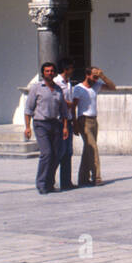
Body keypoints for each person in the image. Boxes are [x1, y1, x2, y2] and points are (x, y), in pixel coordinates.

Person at [23, 63, 70, 194]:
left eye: (51, 71)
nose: (49, 73)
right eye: (47, 71)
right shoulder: (36, 88)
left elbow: (64, 110)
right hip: (40, 124)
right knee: (47, 153)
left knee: (56, 154)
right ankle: (41, 183)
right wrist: (27, 127)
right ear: (43, 73)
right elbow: (28, 109)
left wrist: (65, 127)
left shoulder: (58, 89)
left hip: (55, 124)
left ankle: (50, 183)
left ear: (54, 73)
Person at [71, 65, 117, 187]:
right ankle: (97, 177)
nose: (96, 79)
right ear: (87, 75)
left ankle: (83, 178)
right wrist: (74, 124)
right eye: (94, 76)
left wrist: (103, 76)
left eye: (97, 77)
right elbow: (73, 107)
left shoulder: (96, 86)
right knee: (93, 148)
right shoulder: (78, 89)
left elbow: (113, 87)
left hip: (93, 120)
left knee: (88, 149)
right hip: (83, 120)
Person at [53, 57, 77, 192]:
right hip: (60, 121)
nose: (73, 70)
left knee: (68, 152)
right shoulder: (57, 82)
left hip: (68, 119)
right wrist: (68, 103)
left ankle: (66, 181)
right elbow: (58, 99)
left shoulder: (68, 83)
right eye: (71, 68)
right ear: (66, 69)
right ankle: (51, 179)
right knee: (59, 152)